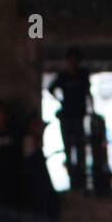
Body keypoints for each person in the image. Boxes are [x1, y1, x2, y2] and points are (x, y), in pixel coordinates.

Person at [48, 48, 91, 192]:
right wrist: (61, 102)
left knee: (80, 148)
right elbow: (51, 88)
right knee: (68, 147)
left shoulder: (82, 75)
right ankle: (73, 181)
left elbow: (87, 93)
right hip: (67, 116)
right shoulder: (63, 77)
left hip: (78, 115)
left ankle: (81, 181)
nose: (72, 63)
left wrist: (89, 110)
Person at [20, 111, 60, 222]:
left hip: (41, 179)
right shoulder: (28, 140)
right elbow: (30, 158)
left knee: (48, 206)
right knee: (38, 208)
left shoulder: (35, 140)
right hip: (35, 180)